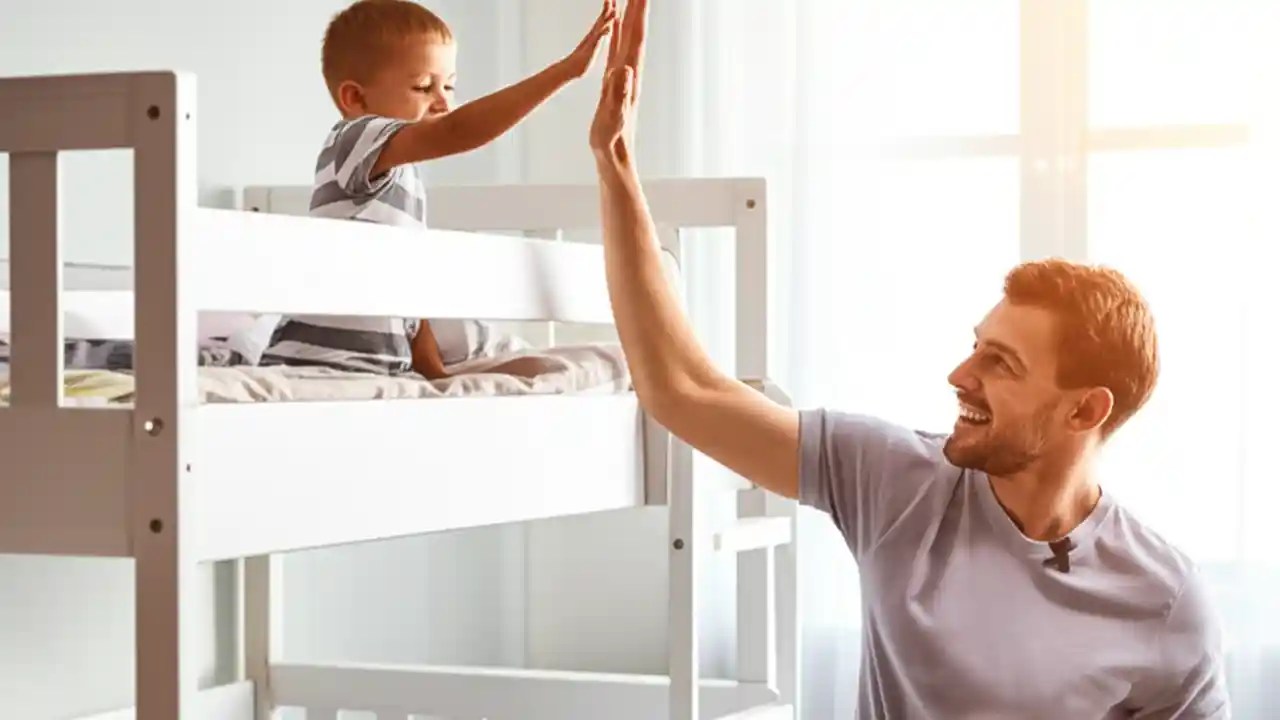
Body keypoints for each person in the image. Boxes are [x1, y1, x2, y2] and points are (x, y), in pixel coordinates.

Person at [588, 2, 1231, 717]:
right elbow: (683, 392)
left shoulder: (1165, 601)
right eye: (976, 346)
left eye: (1002, 363)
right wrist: (616, 163)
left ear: (1085, 409)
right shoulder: (894, 482)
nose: (960, 376)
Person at [253, 0, 616, 378]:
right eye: (424, 87)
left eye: (449, 85)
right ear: (356, 99)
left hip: (378, 368)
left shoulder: (398, 178)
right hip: (314, 362)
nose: (443, 101)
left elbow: (411, 296)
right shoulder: (353, 140)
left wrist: (436, 376)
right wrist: (564, 71)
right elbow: (456, 130)